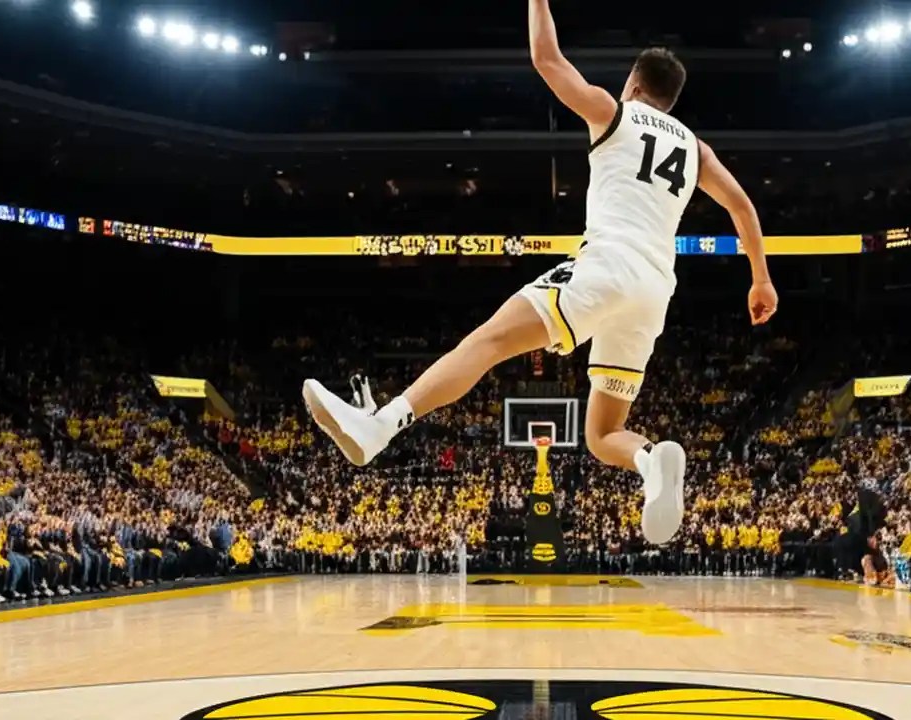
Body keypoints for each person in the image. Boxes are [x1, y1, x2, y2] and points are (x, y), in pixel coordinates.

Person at [302, 0, 777, 545]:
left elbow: (546, 59)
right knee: (603, 434)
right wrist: (760, 279)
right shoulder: (695, 149)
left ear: (633, 84)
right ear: (671, 98)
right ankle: (650, 462)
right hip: (654, 292)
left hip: (607, 266)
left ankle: (380, 426)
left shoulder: (615, 112)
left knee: (486, 342)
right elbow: (742, 207)